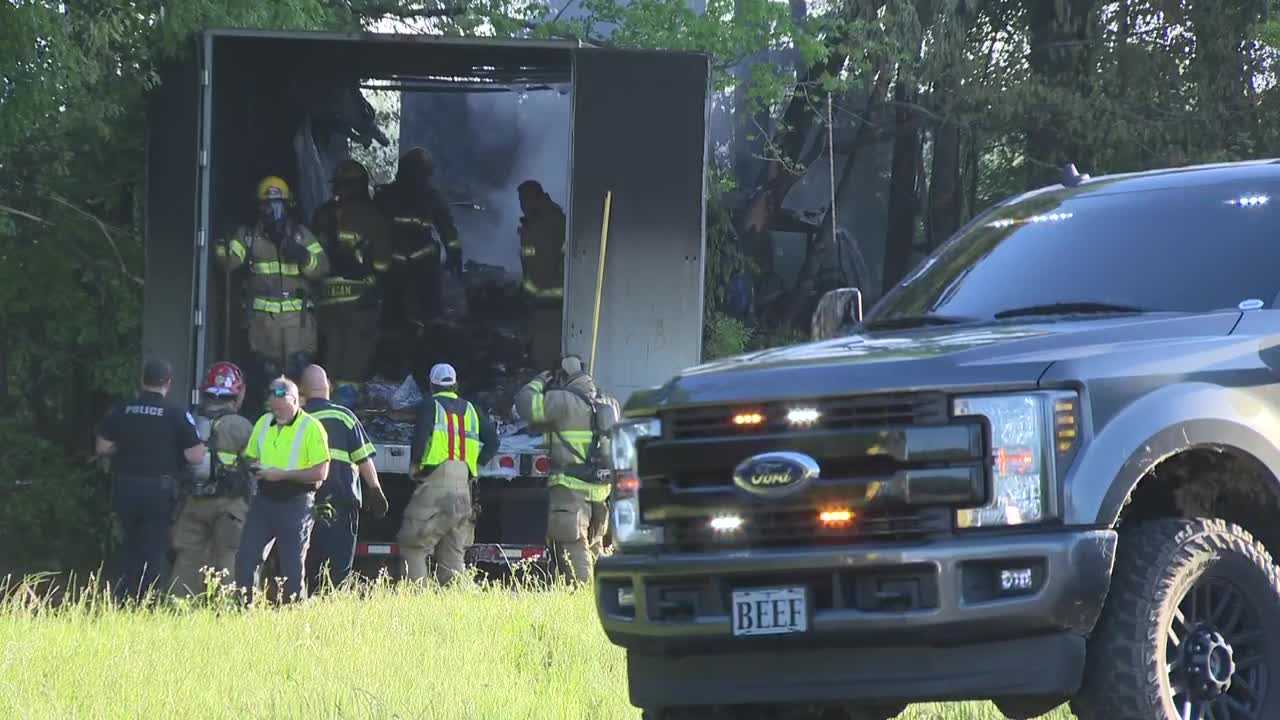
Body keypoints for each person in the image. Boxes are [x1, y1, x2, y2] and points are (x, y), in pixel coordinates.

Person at [94, 358, 205, 603]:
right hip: (159, 489)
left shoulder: (122, 409)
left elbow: (103, 447)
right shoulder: (176, 413)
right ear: (168, 383)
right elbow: (195, 456)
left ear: (142, 380)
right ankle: (149, 600)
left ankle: (123, 598)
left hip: (125, 486)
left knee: (129, 542)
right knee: (154, 545)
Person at [215, 176, 330, 404]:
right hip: (263, 328)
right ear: (259, 207)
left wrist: (302, 255)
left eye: (278, 204)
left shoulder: (301, 236)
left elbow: (322, 268)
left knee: (298, 380)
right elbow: (228, 263)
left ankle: (298, 419)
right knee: (268, 380)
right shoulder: (248, 237)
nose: (272, 210)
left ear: (287, 206)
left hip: (298, 327)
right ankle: (272, 419)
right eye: (267, 204)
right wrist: (221, 240)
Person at [514, 355, 616, 585]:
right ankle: (599, 593)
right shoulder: (604, 402)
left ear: (563, 376)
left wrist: (538, 381)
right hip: (599, 489)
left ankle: (581, 592)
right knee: (594, 543)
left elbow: (525, 404)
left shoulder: (563, 401)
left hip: (570, 487)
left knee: (573, 542)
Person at [399, 363, 498, 584]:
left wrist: (415, 466)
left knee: (413, 544)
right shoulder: (472, 409)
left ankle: (415, 600)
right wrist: (474, 464)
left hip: (435, 483)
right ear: (455, 385)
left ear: (431, 386)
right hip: (463, 486)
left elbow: (421, 439)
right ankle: (450, 600)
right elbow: (493, 442)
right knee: (453, 551)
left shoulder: (429, 406)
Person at [234, 376, 330, 603]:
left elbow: (321, 473)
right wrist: (252, 466)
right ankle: (242, 610)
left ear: (297, 402)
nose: (277, 415)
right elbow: (249, 456)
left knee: (292, 566)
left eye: (282, 410)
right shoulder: (263, 422)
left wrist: (283, 474)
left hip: (296, 501)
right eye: (274, 410)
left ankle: (294, 613)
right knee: (246, 558)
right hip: (264, 499)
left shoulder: (312, 428)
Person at [299, 364, 390, 592]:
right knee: (338, 569)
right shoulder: (344, 416)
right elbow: (364, 459)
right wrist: (375, 489)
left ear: (302, 391)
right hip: (342, 502)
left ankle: (308, 599)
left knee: (308, 564)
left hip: (305, 504)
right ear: (329, 386)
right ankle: (333, 604)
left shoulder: (298, 421)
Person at [170, 361, 256, 598]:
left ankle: (180, 607)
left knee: (188, 557)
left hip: (193, 502)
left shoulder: (189, 421)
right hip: (230, 506)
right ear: (237, 394)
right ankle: (228, 608)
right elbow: (256, 466)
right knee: (229, 556)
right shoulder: (241, 426)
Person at [374, 148, 459, 371]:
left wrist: (454, 255)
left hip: (415, 268)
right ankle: (404, 367)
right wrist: (453, 256)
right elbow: (374, 231)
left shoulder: (423, 197)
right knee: (398, 321)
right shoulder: (390, 196)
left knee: (423, 320)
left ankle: (420, 366)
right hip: (404, 268)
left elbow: (448, 231)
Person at [311, 160, 393, 385]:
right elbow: (383, 264)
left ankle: (324, 402)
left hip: (326, 300)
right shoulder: (374, 218)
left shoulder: (322, 215)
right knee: (354, 364)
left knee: (329, 358)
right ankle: (346, 411)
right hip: (360, 302)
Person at [517, 181, 567, 371]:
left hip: (552, 300)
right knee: (538, 347)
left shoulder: (554, 221)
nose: (522, 206)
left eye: (525, 200)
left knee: (547, 351)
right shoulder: (532, 224)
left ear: (536, 198)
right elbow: (530, 262)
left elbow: (559, 260)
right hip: (537, 300)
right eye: (520, 201)